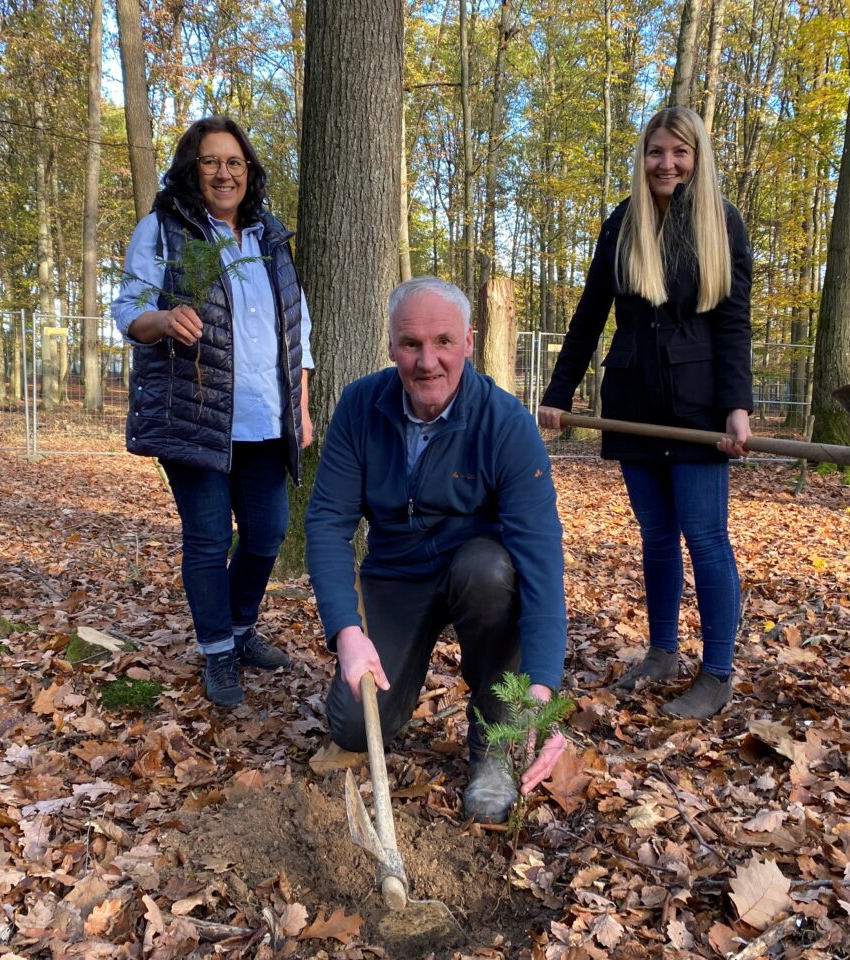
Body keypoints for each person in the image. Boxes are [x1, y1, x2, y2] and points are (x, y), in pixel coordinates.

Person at [306, 277, 569, 824]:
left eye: (443, 342)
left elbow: (542, 563)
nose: (428, 362)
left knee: (491, 569)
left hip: (478, 576)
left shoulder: (507, 425)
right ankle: (386, 681)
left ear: (468, 342)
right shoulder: (360, 407)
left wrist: (540, 691)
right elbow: (328, 523)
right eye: (411, 344)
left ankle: (495, 743)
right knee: (353, 724)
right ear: (390, 347)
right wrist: (347, 634)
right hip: (395, 576)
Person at [538, 106, 752, 720]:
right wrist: (559, 393)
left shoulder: (722, 223)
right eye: (657, 152)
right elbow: (589, 315)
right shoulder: (622, 224)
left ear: (697, 158)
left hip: (699, 408)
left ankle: (716, 672)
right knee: (657, 536)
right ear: (644, 158)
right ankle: (661, 652)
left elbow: (734, 323)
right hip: (632, 403)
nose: (667, 164)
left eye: (680, 153)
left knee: (706, 538)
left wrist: (737, 406)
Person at [111, 116, 313, 709]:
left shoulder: (269, 238)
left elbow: (299, 329)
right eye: (210, 162)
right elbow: (128, 308)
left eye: (235, 162)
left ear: (249, 172)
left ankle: (242, 628)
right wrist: (164, 320)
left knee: (268, 532)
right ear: (190, 169)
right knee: (206, 538)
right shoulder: (165, 231)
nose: (224, 173)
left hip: (264, 418)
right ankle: (217, 651)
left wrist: (298, 409)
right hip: (195, 411)